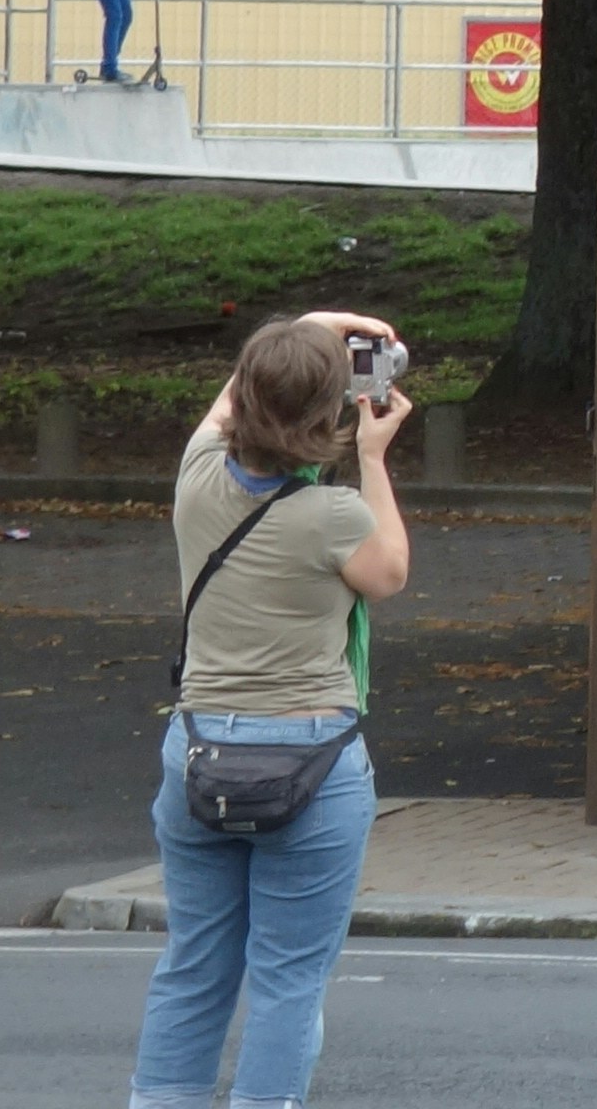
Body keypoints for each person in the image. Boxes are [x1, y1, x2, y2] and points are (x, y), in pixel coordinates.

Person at [133, 310, 411, 1109]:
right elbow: (388, 574)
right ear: (329, 414)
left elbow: (227, 408)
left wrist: (308, 324)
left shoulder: (196, 480)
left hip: (199, 753)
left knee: (194, 964)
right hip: (312, 765)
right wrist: (372, 457)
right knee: (288, 978)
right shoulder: (334, 517)